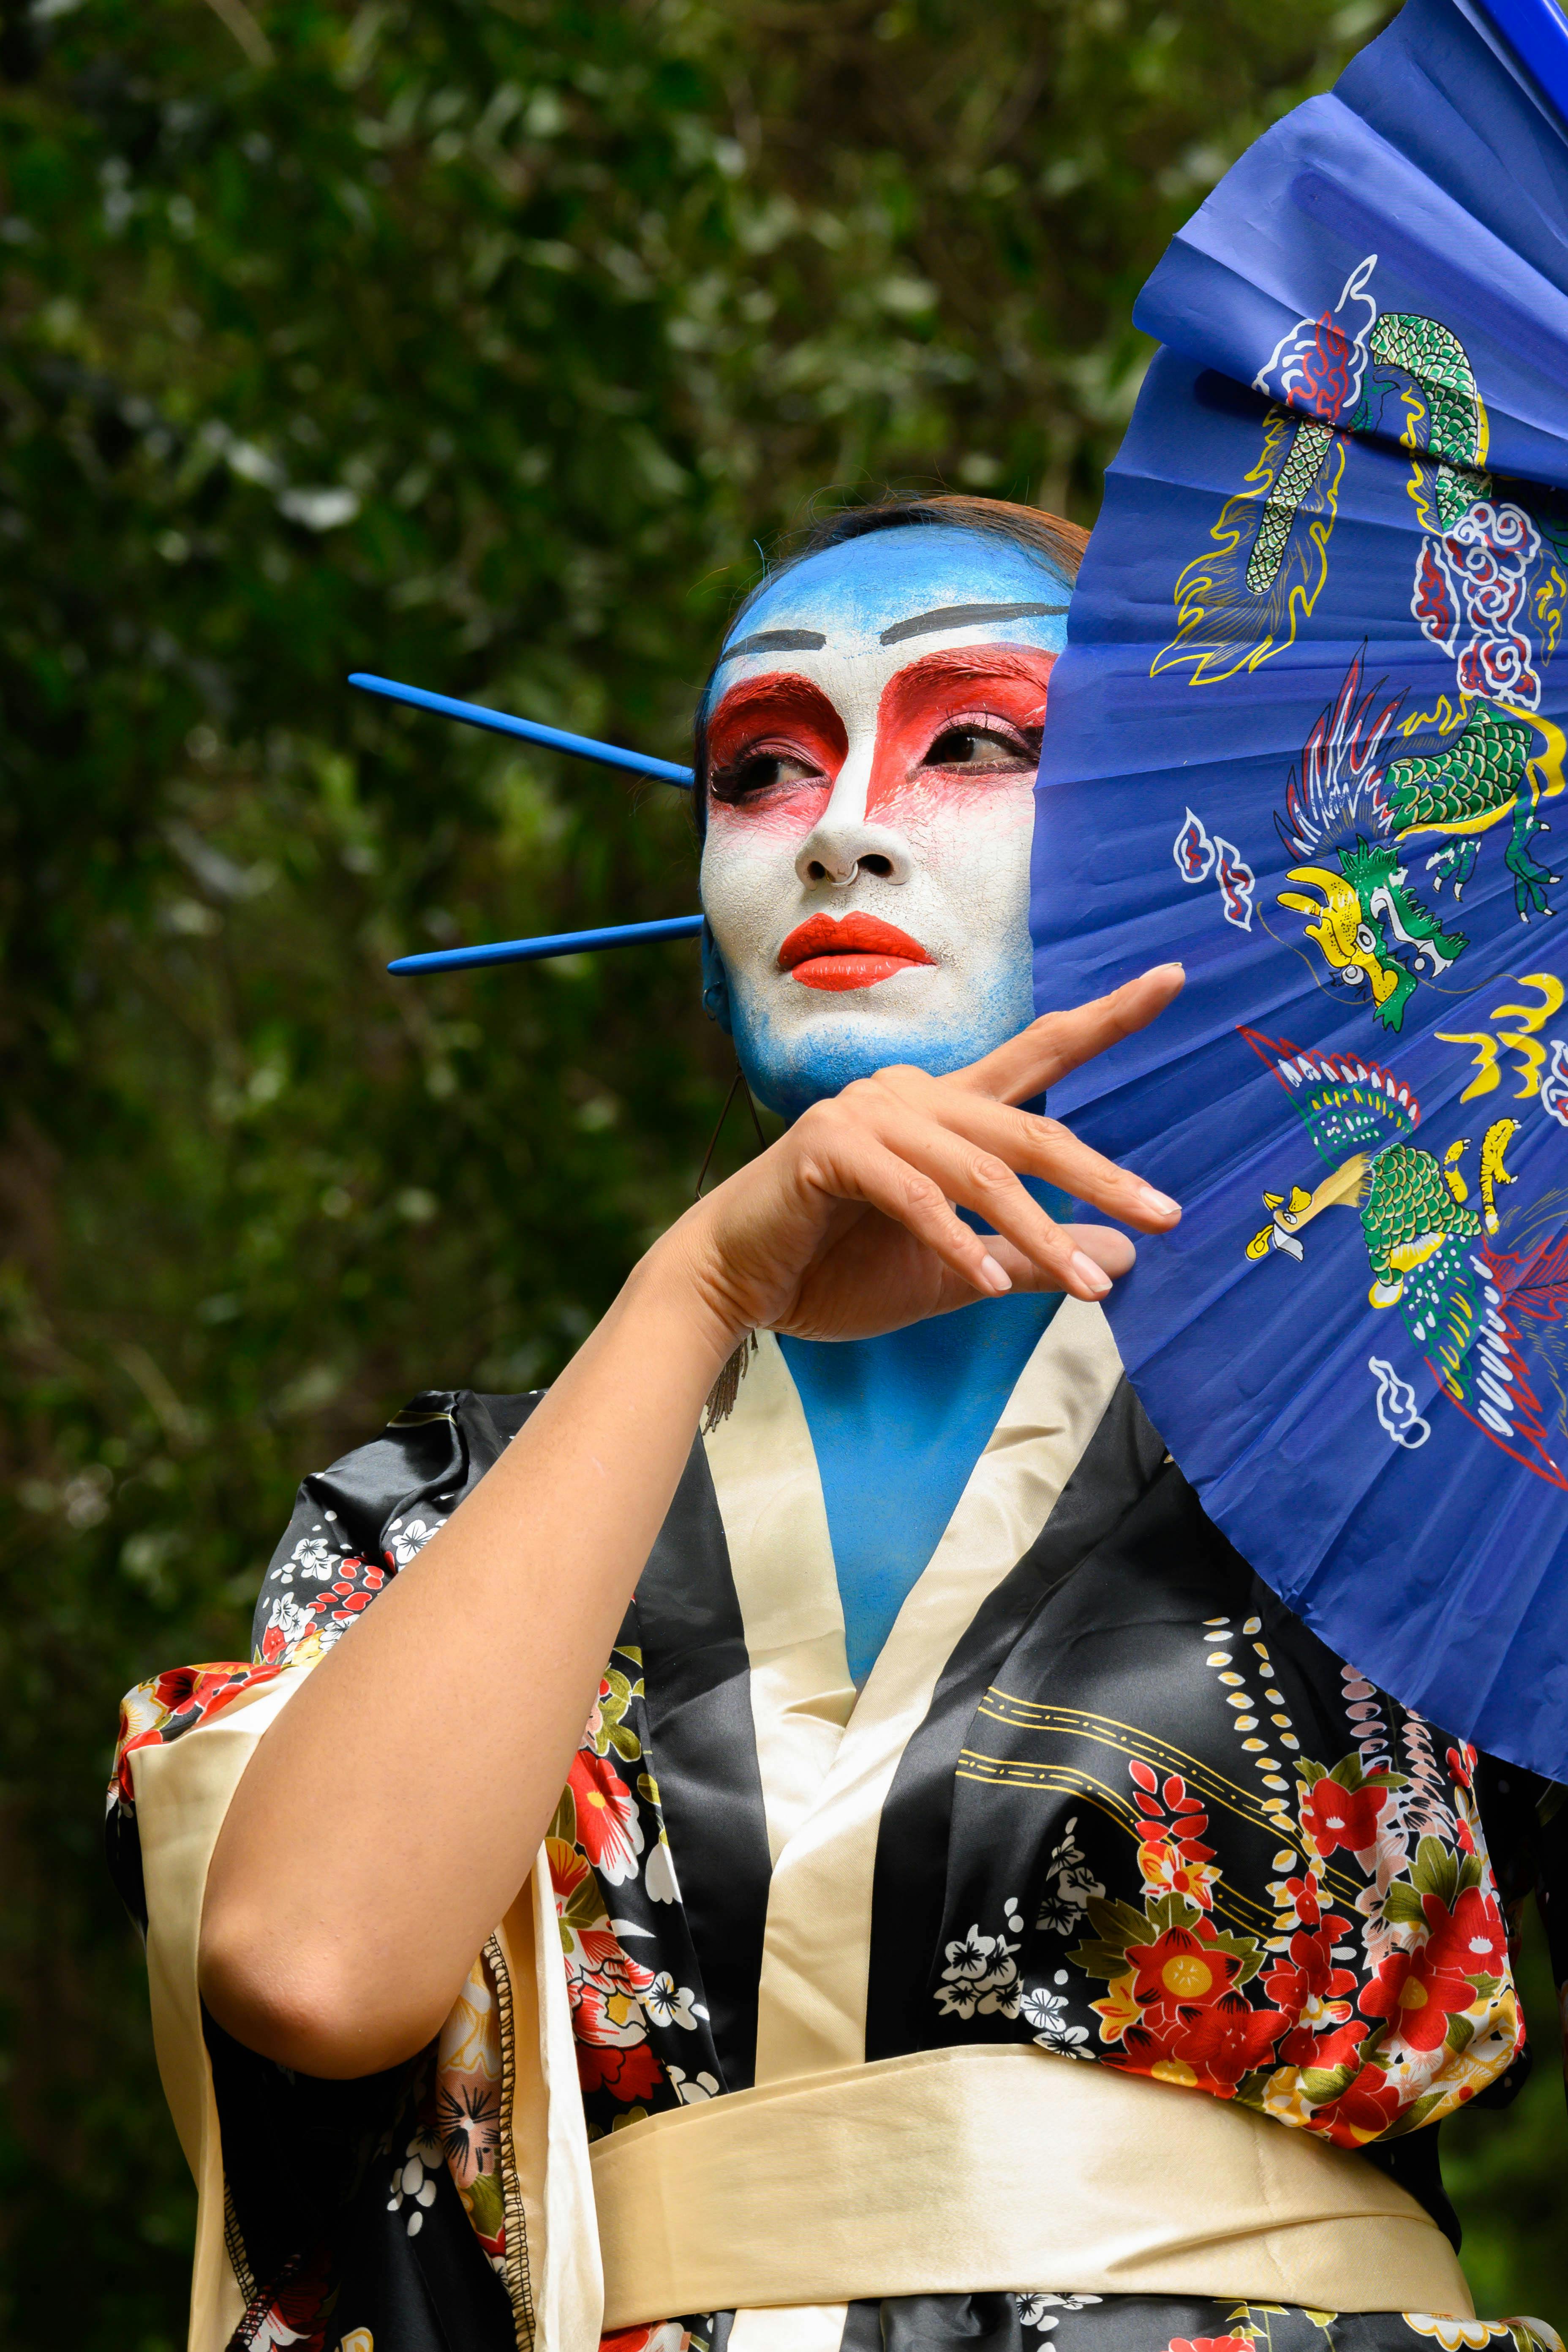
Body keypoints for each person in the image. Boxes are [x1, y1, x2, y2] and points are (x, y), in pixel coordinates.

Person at [109, 494, 1563, 2352]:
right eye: (761, 771)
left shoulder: (1438, 1418)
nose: (845, 832)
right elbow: (315, 1971)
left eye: (973, 739)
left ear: (1174, 843)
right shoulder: (440, 1504)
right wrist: (701, 1283)